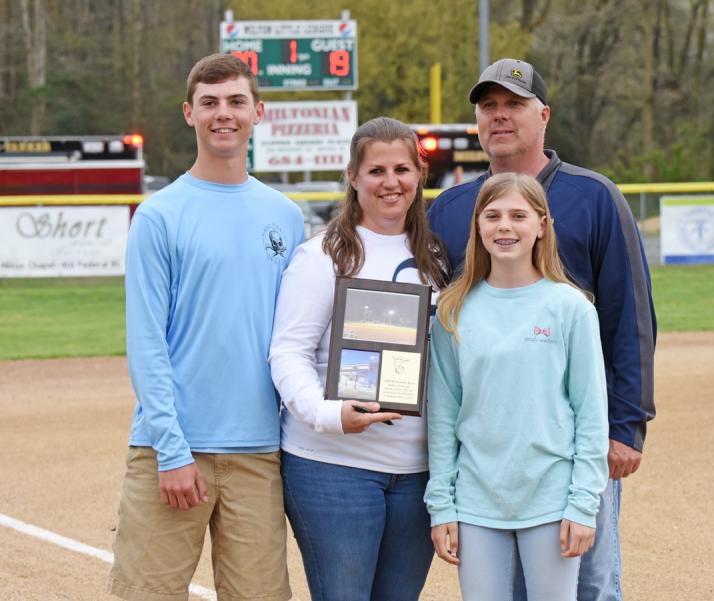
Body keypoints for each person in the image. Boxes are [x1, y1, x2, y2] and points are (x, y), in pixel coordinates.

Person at [427, 58, 656, 601]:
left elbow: (629, 315)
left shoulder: (593, 195)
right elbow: (440, 335)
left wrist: (626, 426)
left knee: (591, 584)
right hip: (485, 462)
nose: (500, 116)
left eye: (514, 104)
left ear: (544, 115)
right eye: (489, 106)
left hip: (570, 446)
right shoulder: (452, 209)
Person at [108, 53, 304, 601]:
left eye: (237, 102)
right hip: (173, 449)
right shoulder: (160, 215)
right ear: (188, 112)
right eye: (210, 102)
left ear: (257, 112)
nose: (224, 114)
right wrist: (172, 450)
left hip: (259, 451)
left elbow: (297, 336)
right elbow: (147, 342)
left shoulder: (285, 216)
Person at [269, 116, 448, 601]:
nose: (391, 182)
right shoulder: (322, 256)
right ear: (353, 176)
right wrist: (329, 414)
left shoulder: (436, 257)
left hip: (416, 471)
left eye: (402, 169)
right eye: (376, 171)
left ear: (419, 174)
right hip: (332, 466)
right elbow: (288, 353)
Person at [425, 172, 609, 601]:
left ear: (542, 226)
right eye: (492, 216)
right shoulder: (453, 312)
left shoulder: (570, 308)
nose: (504, 226)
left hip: (550, 496)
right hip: (477, 499)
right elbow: (443, 416)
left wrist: (583, 503)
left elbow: (590, 414)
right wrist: (442, 505)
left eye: (518, 215)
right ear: (477, 226)